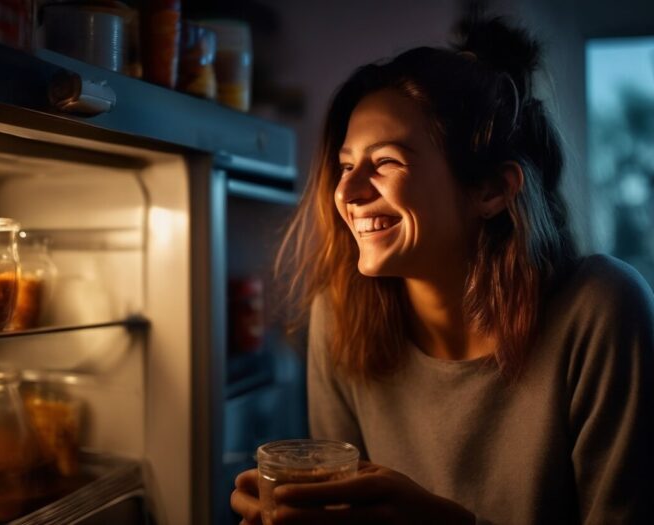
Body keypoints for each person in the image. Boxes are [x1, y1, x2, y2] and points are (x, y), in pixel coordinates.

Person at [230, 15, 654, 525]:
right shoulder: (339, 316)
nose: (347, 192)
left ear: (491, 191)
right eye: (346, 166)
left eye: (385, 162)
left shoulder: (601, 309)